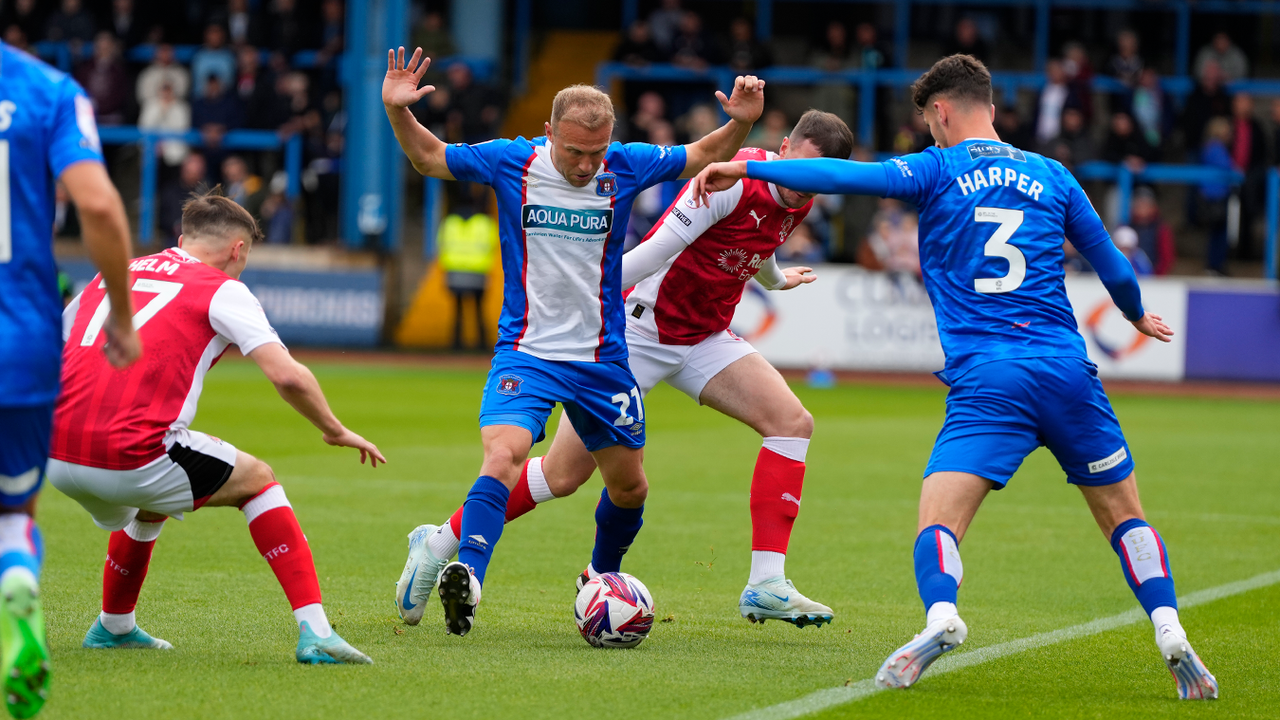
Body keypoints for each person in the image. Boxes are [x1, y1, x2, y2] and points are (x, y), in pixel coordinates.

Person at [690, 53, 1218, 701]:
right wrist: (1136, 316)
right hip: (1066, 370)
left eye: (928, 122)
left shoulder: (935, 168)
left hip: (990, 380)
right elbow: (1111, 264)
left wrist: (746, 166)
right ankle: (1170, 629)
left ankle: (942, 616)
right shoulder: (1054, 175)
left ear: (940, 112)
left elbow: (840, 175)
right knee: (1125, 516)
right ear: (989, 108)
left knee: (939, 519)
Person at [401, 110, 855, 630]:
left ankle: (765, 583)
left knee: (793, 423)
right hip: (638, 331)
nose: (804, 186)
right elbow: (653, 253)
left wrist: (776, 282)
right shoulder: (731, 179)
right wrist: (588, 296)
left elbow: (760, 241)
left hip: (704, 336)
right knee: (564, 475)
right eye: (800, 170)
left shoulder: (801, 191)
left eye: (817, 179)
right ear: (784, 149)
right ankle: (439, 543)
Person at [382, 46, 764, 636]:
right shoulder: (512, 161)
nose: (586, 166)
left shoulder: (626, 165)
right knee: (503, 456)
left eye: (595, 152)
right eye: (574, 152)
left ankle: (599, 578)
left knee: (629, 487)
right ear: (548, 134)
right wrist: (398, 110)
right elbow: (430, 158)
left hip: (603, 359)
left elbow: (703, 154)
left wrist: (739, 123)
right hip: (527, 352)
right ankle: (469, 576)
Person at [48, 191, 385, 665]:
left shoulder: (114, 272)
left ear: (183, 237)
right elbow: (287, 375)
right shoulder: (222, 287)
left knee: (154, 500)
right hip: (130, 455)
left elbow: (55, 348)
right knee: (258, 479)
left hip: (55, 453)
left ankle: (114, 626)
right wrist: (334, 429)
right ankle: (317, 632)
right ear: (238, 250)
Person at [0, 36, 142, 718]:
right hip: (20, 341)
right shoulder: (50, 91)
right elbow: (100, 206)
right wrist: (121, 314)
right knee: (13, 513)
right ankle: (16, 575)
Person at [438, 195, 498, 350]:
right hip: (478, 272)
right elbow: (493, 246)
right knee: (479, 310)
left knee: (457, 310)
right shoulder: (485, 223)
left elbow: (441, 245)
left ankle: (456, 344)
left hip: (455, 271)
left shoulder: (449, 222)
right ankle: (482, 344)